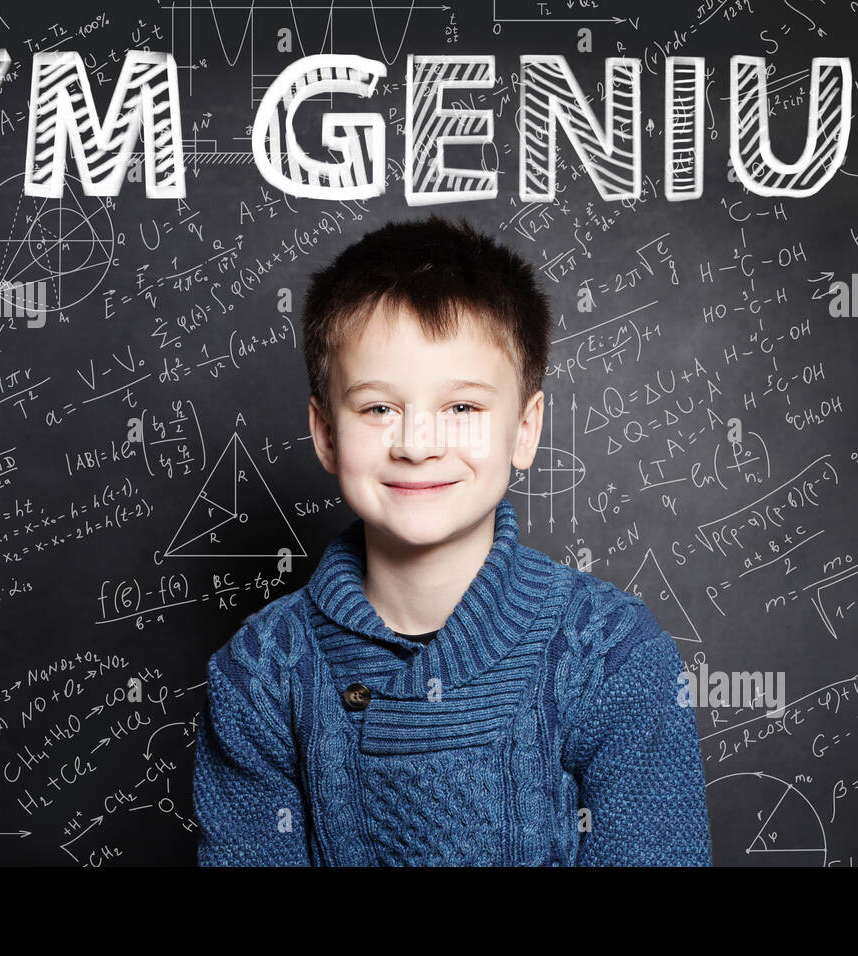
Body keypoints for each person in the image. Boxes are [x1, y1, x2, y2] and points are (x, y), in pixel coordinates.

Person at [192, 214, 712, 865]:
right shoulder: (259, 674)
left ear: (525, 427)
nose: (417, 444)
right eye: (379, 407)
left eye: (461, 408)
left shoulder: (612, 654)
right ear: (326, 433)